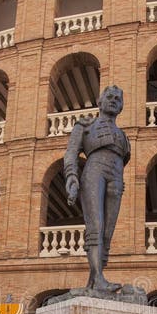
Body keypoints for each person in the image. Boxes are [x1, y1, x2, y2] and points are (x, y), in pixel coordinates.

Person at [64, 85, 130, 291]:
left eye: (117, 99)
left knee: (108, 232)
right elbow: (71, 153)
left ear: (121, 107)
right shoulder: (85, 125)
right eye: (109, 97)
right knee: (96, 226)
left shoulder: (123, 135)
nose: (113, 100)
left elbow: (124, 158)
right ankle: (98, 278)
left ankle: (95, 279)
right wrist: (72, 176)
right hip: (94, 171)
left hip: (116, 175)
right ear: (99, 102)